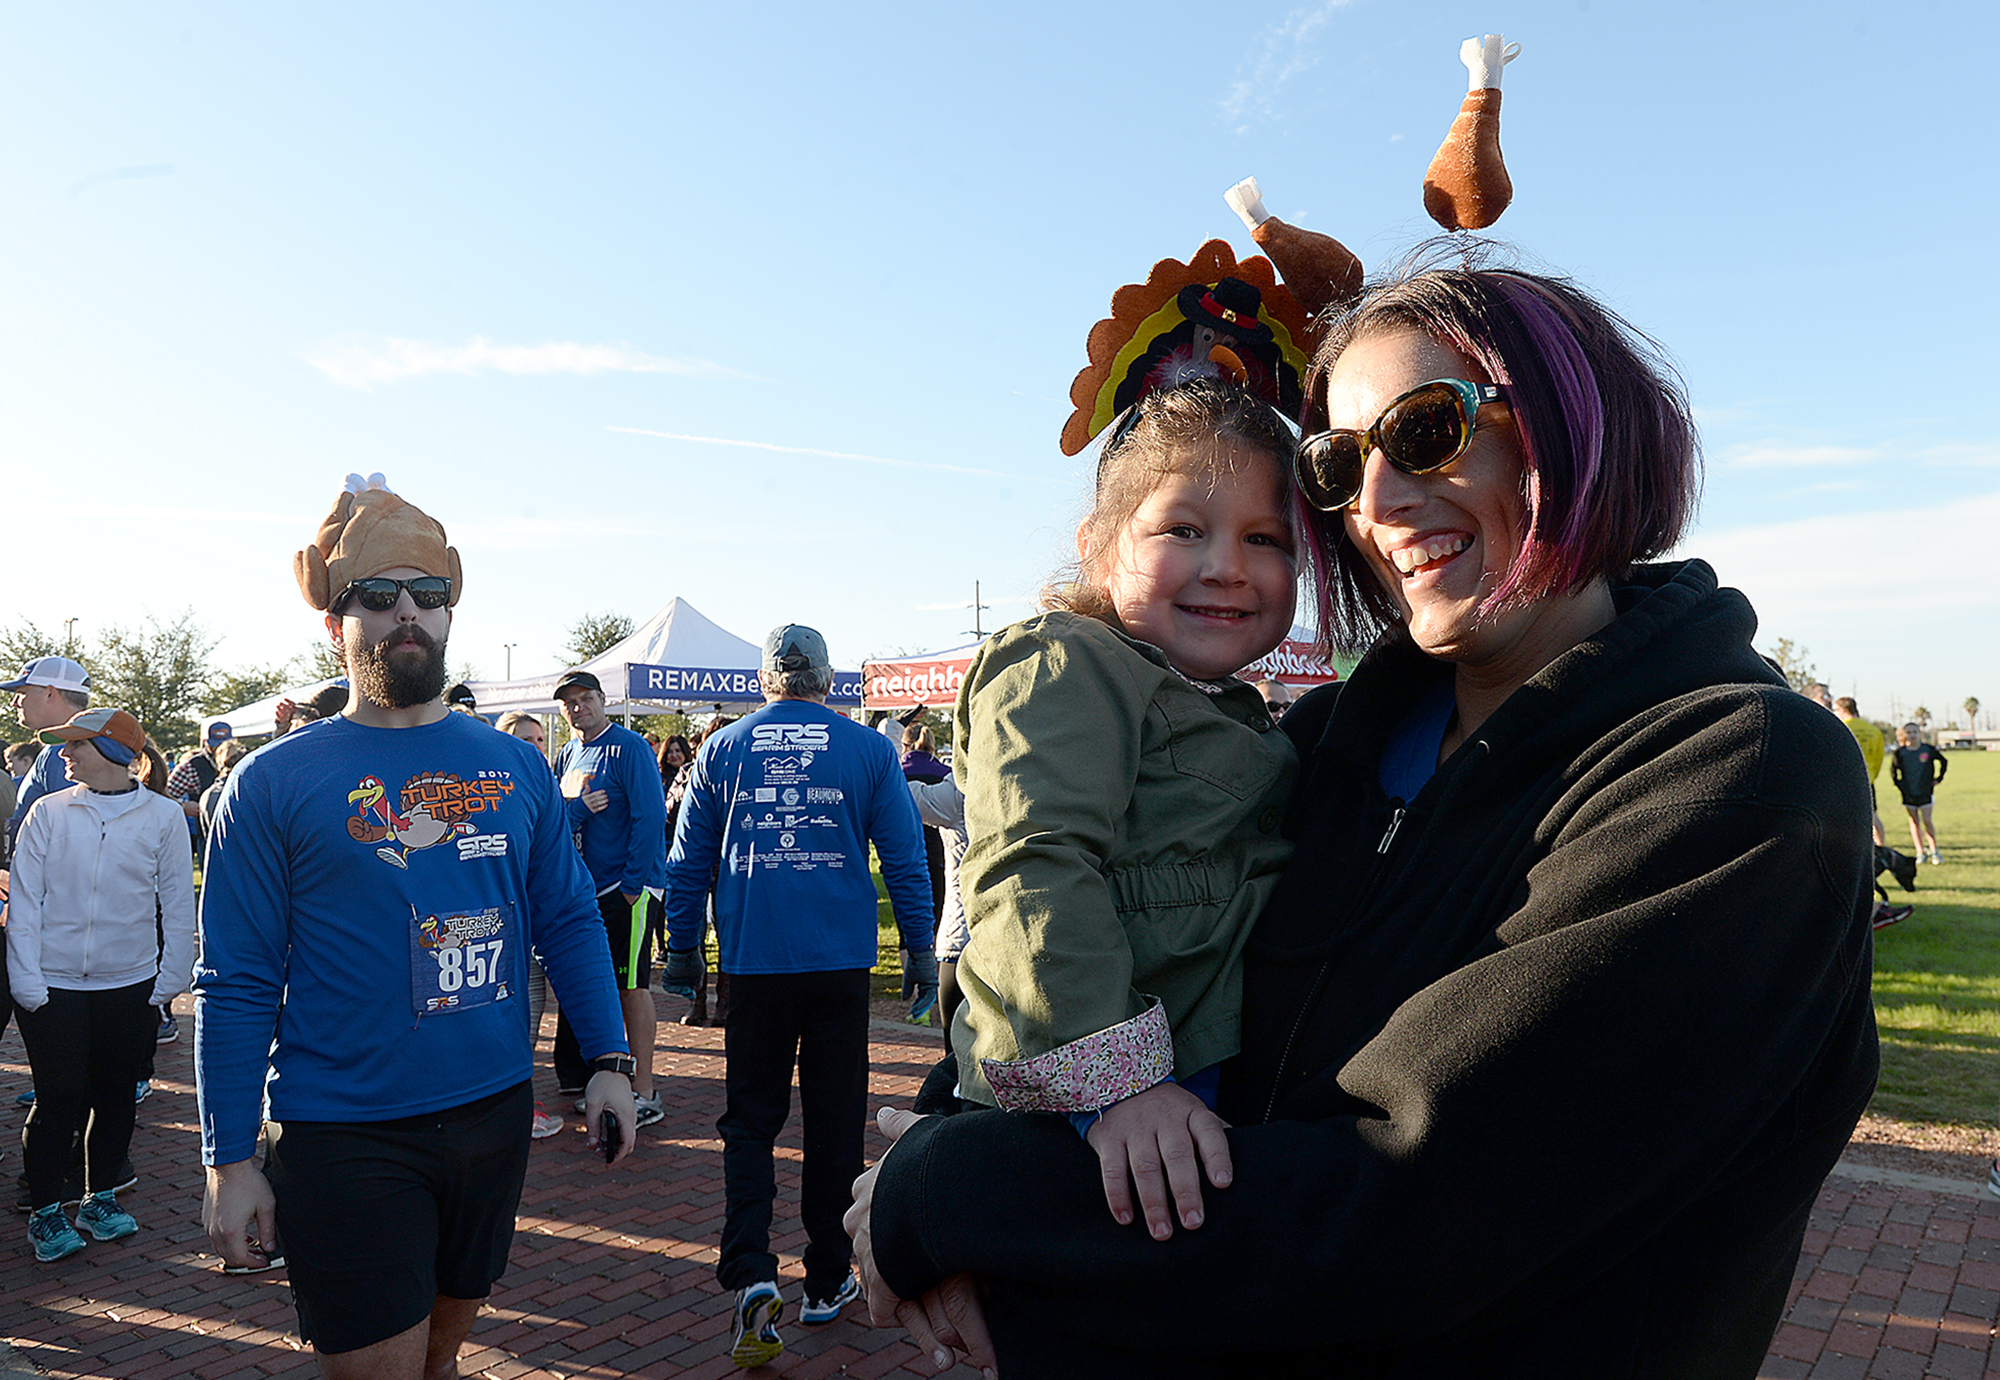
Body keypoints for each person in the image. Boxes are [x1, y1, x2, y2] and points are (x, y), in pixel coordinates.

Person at [849, 251, 1878, 1378]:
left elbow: (1408, 1218)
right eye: (1337, 465)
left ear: (1575, 428)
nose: (1375, 503)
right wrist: (942, 1126)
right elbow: (1084, 910)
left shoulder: (1736, 774)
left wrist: (949, 1194)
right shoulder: (1315, 746)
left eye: (1427, 429)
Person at [196, 474, 637, 1379]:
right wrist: (228, 1156)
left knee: (441, 1356)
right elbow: (236, 978)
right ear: (335, 622)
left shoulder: (516, 765)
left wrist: (608, 1062)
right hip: (346, 1132)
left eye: (429, 595)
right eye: (379, 596)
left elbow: (567, 921)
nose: (408, 613)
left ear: (450, 613)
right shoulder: (272, 782)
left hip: (491, 1116)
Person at [943, 373, 1300, 1243]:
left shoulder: (1226, 706)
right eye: (1184, 529)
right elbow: (1033, 863)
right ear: (1099, 548)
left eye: (1266, 537)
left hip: (1188, 1080)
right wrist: (1118, 1083)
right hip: (1105, 1095)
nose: (1226, 565)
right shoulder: (1066, 659)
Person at [662, 623, 933, 1368]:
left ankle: (750, 1269)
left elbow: (686, 861)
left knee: (750, 1121)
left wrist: (682, 947)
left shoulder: (723, 748)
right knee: (834, 1123)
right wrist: (919, 950)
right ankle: (825, 1277)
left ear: (764, 681)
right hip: (838, 964)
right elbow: (907, 860)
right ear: (826, 680)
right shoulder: (869, 749)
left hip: (753, 961)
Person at [9, 708, 195, 1262]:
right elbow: (24, 903)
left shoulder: (162, 817)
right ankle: (45, 1211)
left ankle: (99, 1199)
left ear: (113, 751)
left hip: (131, 985)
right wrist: (28, 981)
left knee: (116, 1099)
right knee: (57, 1099)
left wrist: (170, 978)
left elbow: (178, 905)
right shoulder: (48, 812)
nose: (64, 754)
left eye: (76, 745)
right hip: (53, 985)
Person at [548, 669, 668, 1128]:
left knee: (631, 985)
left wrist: (634, 883)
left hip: (627, 890)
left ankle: (645, 1090)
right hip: (586, 888)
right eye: (570, 703)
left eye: (585, 699)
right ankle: (599, 1075)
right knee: (597, 982)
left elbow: (649, 816)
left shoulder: (630, 747)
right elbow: (558, 818)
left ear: (603, 700)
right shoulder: (568, 752)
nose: (579, 708)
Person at [495, 709, 562, 1139]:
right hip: (498, 933)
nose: (536, 748)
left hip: (536, 926)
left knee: (533, 1016)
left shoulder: (544, 783)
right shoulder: (497, 791)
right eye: (525, 740)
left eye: (540, 740)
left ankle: (522, 1103)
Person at [1890, 722, 1947, 864]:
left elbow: (1943, 762)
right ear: (1904, 735)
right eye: (1909, 732)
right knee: (1914, 821)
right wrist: (1900, 785)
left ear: (1919, 733)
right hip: (1909, 793)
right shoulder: (1900, 753)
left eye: (1915, 732)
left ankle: (1934, 850)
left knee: (1927, 820)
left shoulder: (1928, 749)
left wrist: (1938, 778)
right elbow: (1893, 770)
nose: (1912, 735)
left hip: (1925, 791)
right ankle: (1920, 852)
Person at [1834, 696, 1887, 847]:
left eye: (1836, 709)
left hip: (1845, 780)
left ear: (1843, 710)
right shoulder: (1873, 730)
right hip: (1867, 778)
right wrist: (1872, 776)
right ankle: (1881, 847)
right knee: (1873, 816)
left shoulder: (1841, 727)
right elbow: (1879, 757)